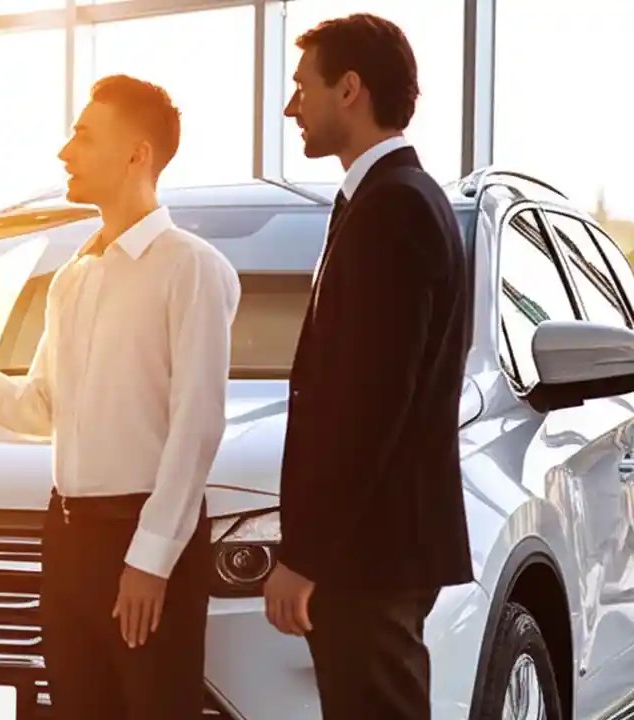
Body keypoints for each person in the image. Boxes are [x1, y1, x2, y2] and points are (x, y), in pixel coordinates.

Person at [0, 74, 239, 719]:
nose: (65, 153)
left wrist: (151, 559)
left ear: (138, 154)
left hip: (141, 538)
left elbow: (197, 426)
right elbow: (42, 408)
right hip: (68, 540)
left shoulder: (190, 268)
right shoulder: (71, 281)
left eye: (84, 136)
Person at [262, 13, 474, 720]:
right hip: (371, 549)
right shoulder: (380, 201)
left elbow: (370, 404)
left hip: (370, 555)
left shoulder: (396, 209)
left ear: (349, 89)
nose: (293, 106)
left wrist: (307, 554)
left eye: (303, 87)